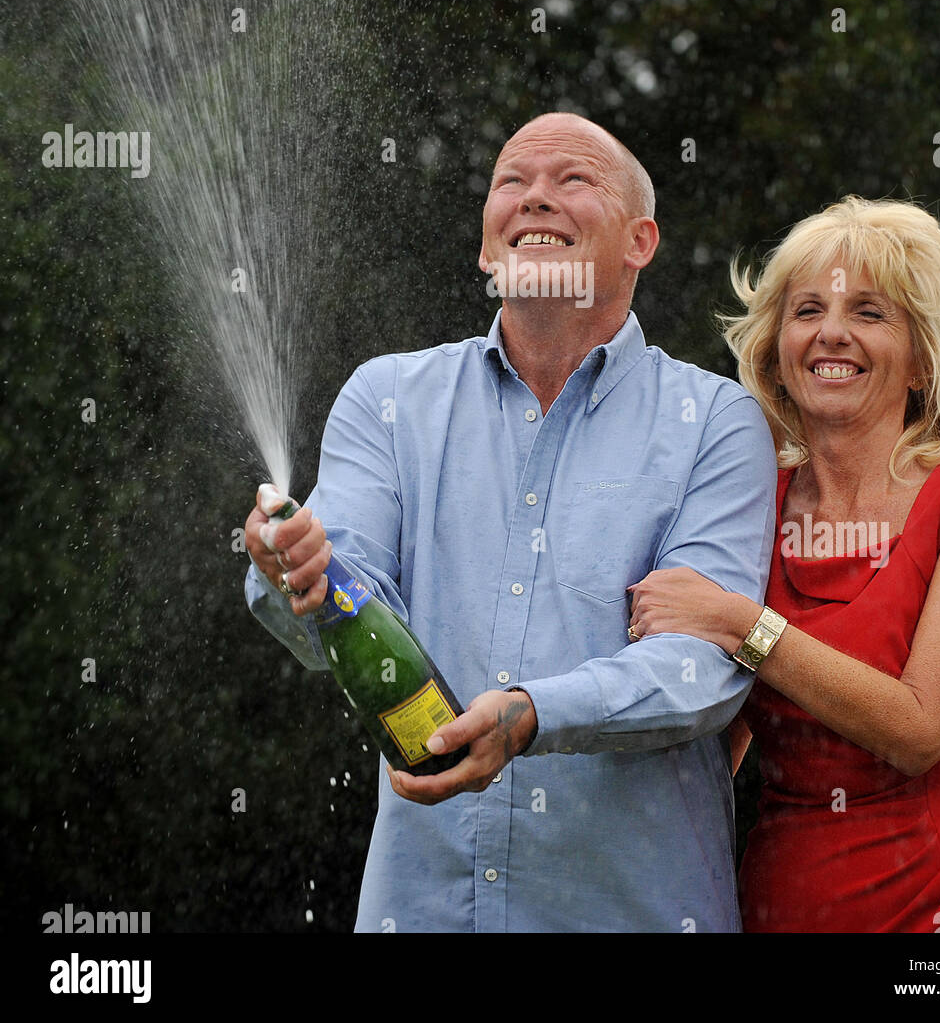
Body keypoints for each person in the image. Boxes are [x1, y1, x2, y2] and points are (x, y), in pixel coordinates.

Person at [244, 112, 776, 932]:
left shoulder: (716, 422)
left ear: (639, 242)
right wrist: (298, 574)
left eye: (573, 180)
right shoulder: (386, 401)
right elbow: (341, 613)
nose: (534, 198)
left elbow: (701, 667)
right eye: (510, 183)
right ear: (487, 248)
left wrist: (532, 715)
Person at [630, 195, 940, 933]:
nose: (831, 332)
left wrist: (742, 626)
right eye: (807, 311)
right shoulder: (750, 506)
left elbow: (920, 730)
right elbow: (712, 742)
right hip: (775, 907)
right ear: (775, 354)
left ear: (921, 360)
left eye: (868, 312)